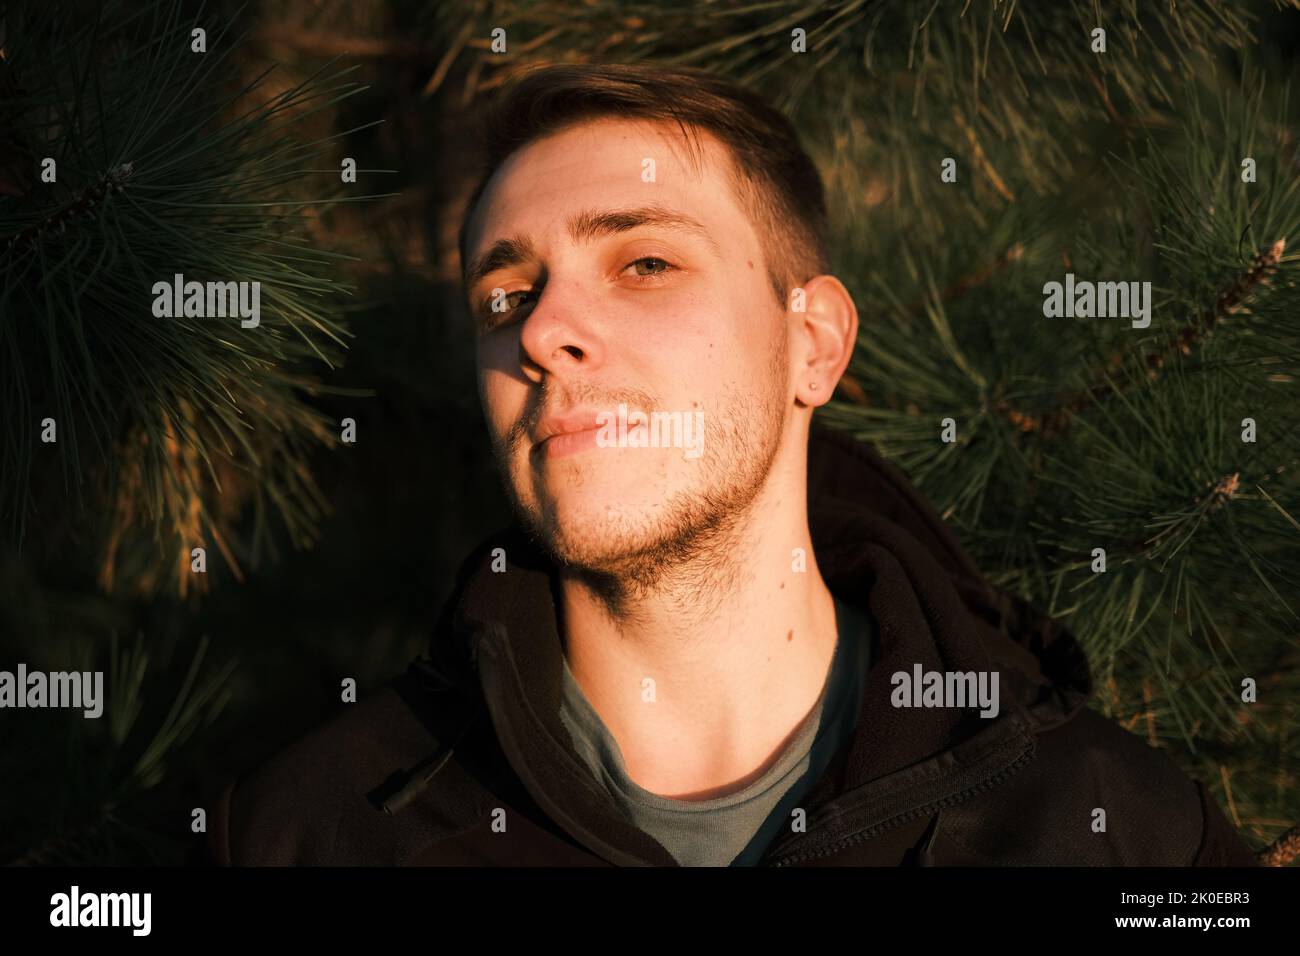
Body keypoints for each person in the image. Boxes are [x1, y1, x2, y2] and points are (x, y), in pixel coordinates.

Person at [209, 62, 1256, 867]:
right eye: (504, 296)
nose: (543, 330)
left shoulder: (1110, 824)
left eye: (645, 263)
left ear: (814, 344)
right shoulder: (313, 831)